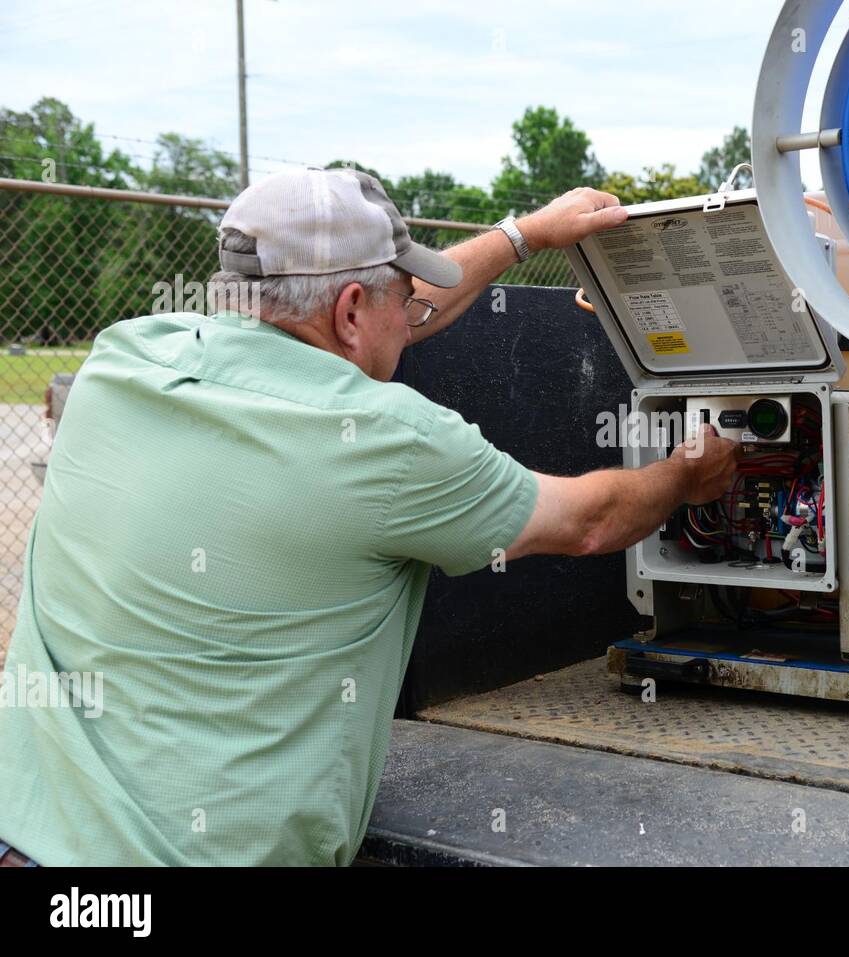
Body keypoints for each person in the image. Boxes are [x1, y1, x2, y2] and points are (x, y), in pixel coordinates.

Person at [0, 167, 739, 865]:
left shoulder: (124, 358)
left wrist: (526, 235)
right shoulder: (391, 441)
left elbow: (361, 333)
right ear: (352, 310)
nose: (416, 308)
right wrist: (686, 475)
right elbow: (591, 522)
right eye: (399, 293)